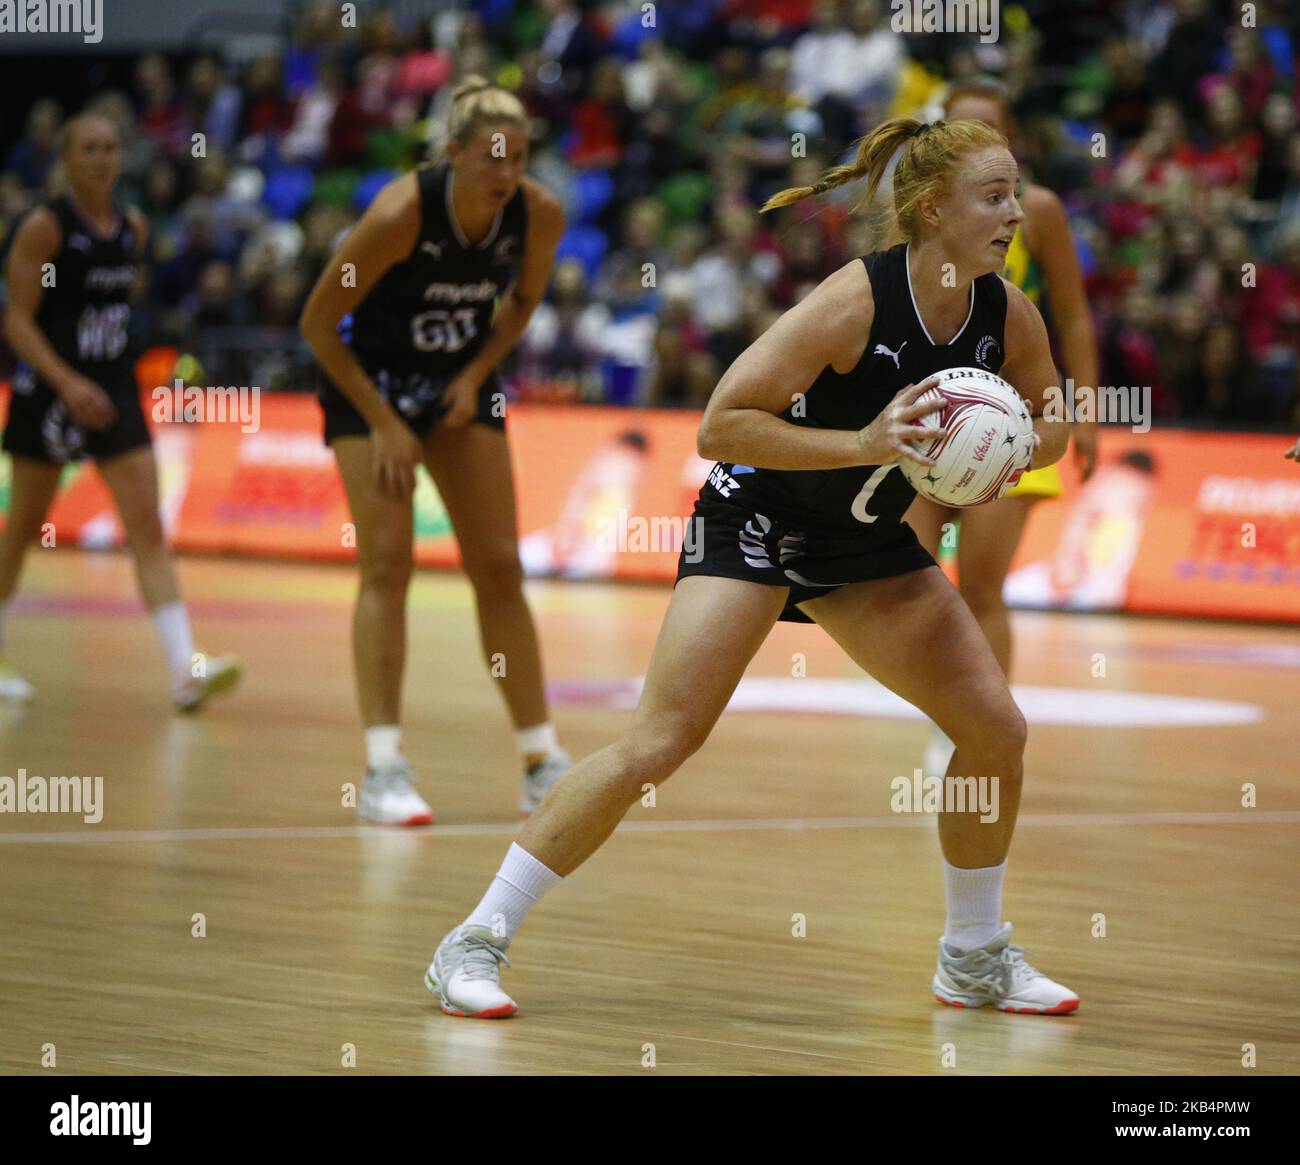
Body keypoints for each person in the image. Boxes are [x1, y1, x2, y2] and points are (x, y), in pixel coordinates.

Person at [423, 116, 1080, 1019]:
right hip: (759, 521)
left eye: (1015, 192)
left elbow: (1057, 413)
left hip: (865, 548)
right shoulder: (853, 302)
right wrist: (865, 439)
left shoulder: (1007, 311)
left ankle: (972, 955)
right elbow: (721, 422)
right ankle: (476, 938)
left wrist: (1008, 446)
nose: (1016, 213)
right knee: (660, 741)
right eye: (995, 196)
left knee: (996, 730)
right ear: (932, 210)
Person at [299, 77, 570, 826]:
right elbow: (318, 325)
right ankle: (384, 767)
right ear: (452, 154)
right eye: (490, 157)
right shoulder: (400, 213)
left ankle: (541, 758)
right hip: (368, 384)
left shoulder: (538, 214)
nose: (506, 172)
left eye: (517, 156)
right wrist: (386, 422)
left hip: (457, 382)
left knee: (500, 564)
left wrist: (476, 374)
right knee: (387, 562)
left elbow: (521, 303)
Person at [0, 113, 240, 710]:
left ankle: (186, 668)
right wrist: (67, 381)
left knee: (148, 527)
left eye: (111, 147)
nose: (103, 158)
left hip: (114, 386)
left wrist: (99, 375)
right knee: (24, 528)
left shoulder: (132, 227)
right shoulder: (43, 228)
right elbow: (17, 322)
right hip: (51, 391)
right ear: (66, 158)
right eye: (89, 148)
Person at [904, 79, 1100, 779]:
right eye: (966, 131)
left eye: (992, 131)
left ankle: (983, 734)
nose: (982, 142)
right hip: (927, 418)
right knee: (911, 579)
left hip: (1013, 420)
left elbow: (1073, 316)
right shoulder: (920, 210)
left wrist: (1086, 412)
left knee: (981, 588)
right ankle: (944, 717)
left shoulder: (1037, 210)